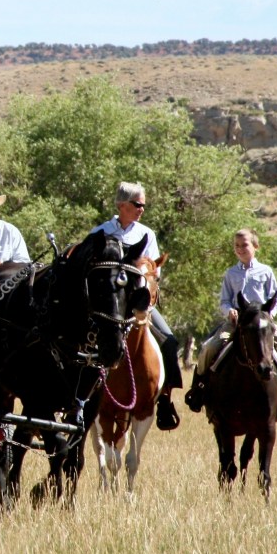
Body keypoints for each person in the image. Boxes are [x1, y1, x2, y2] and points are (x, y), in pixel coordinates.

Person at [185, 229, 277, 418]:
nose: (240, 249)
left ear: (255, 246)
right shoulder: (231, 273)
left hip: (262, 325)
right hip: (236, 323)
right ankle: (199, 388)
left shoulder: (266, 272)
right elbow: (224, 301)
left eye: (244, 245)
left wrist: (268, 315)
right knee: (208, 348)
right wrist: (229, 311)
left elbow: (275, 299)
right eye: (236, 245)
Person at [91, 181, 182, 431]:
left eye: (143, 205)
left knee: (170, 342)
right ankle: (79, 399)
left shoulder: (147, 234)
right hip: (108, 307)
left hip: (139, 304)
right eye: (138, 204)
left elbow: (154, 270)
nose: (142, 209)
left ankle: (164, 400)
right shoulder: (99, 233)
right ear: (122, 205)